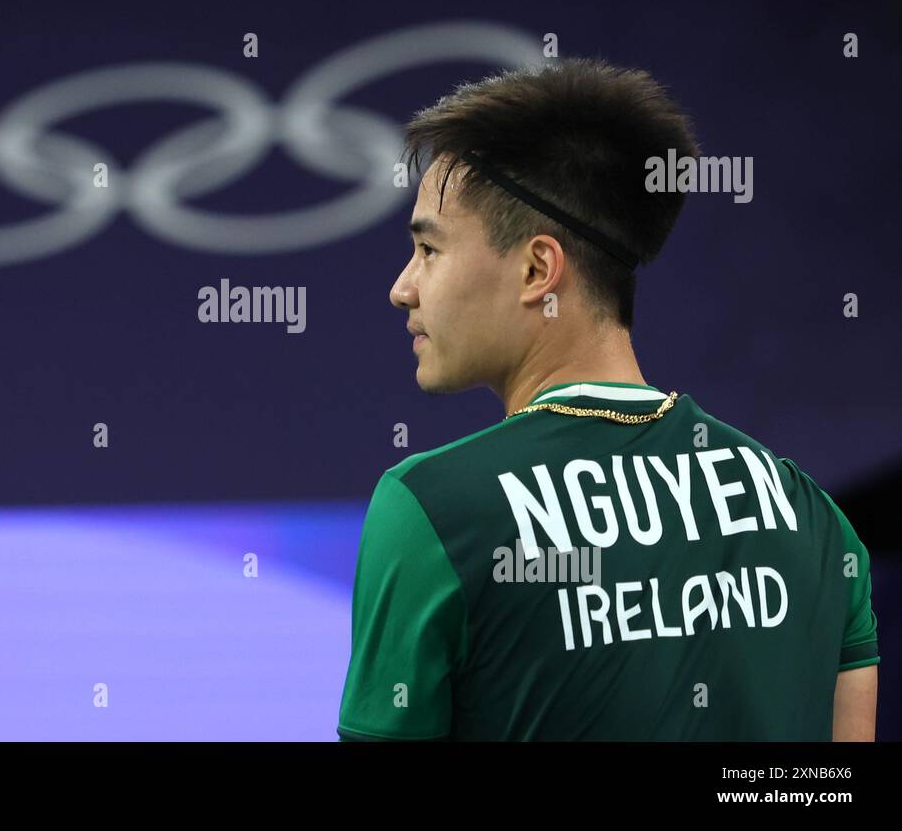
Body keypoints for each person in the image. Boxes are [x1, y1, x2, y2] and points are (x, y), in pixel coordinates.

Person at [336, 59, 879, 741]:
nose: (403, 287)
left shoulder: (430, 510)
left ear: (539, 269)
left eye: (427, 248)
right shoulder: (814, 515)